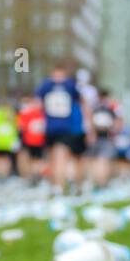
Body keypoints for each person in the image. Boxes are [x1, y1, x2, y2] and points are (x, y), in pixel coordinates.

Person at [37, 62, 87, 192]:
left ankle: (59, 185)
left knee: (58, 156)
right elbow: (81, 102)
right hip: (60, 127)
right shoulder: (69, 85)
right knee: (57, 157)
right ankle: (59, 185)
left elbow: (39, 104)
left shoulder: (46, 86)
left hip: (58, 127)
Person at [16, 93, 46, 182]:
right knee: (36, 159)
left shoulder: (27, 113)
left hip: (34, 140)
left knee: (34, 159)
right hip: (34, 141)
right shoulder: (41, 113)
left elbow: (20, 126)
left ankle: (33, 174)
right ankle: (34, 174)